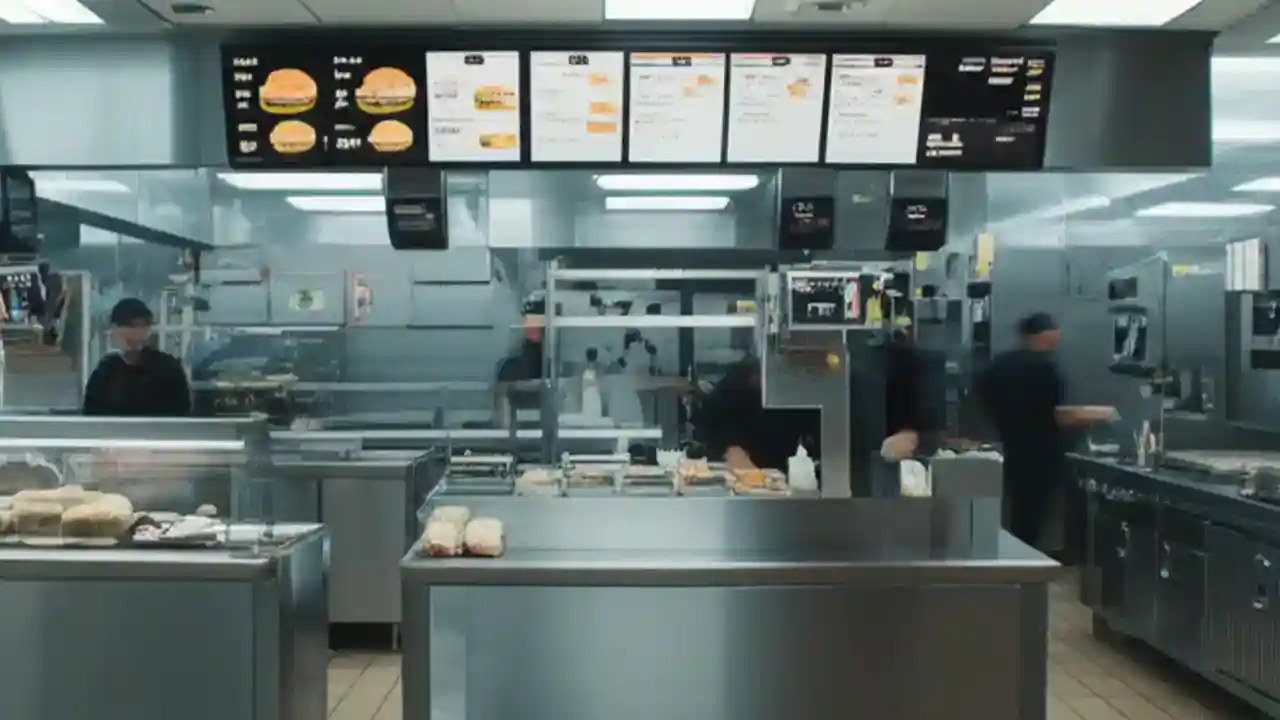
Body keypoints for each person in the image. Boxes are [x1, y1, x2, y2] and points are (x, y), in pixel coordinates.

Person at [977, 312, 1113, 547]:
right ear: (1042, 335)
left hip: (1010, 450)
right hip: (1042, 456)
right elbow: (1055, 415)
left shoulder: (999, 365)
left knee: (1018, 512)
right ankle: (1033, 558)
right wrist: (1094, 415)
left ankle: (1014, 555)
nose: (1057, 339)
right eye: (1054, 334)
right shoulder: (1044, 369)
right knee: (1035, 517)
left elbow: (983, 400)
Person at [692, 358, 819, 472]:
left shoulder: (798, 390)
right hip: (734, 461)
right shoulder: (735, 385)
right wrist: (732, 446)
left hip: (778, 462)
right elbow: (713, 414)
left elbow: (814, 428)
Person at [83, 298, 191, 416]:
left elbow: (181, 415)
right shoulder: (105, 372)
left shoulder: (167, 368)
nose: (137, 333)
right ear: (114, 329)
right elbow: (91, 415)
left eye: (142, 326)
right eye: (131, 325)